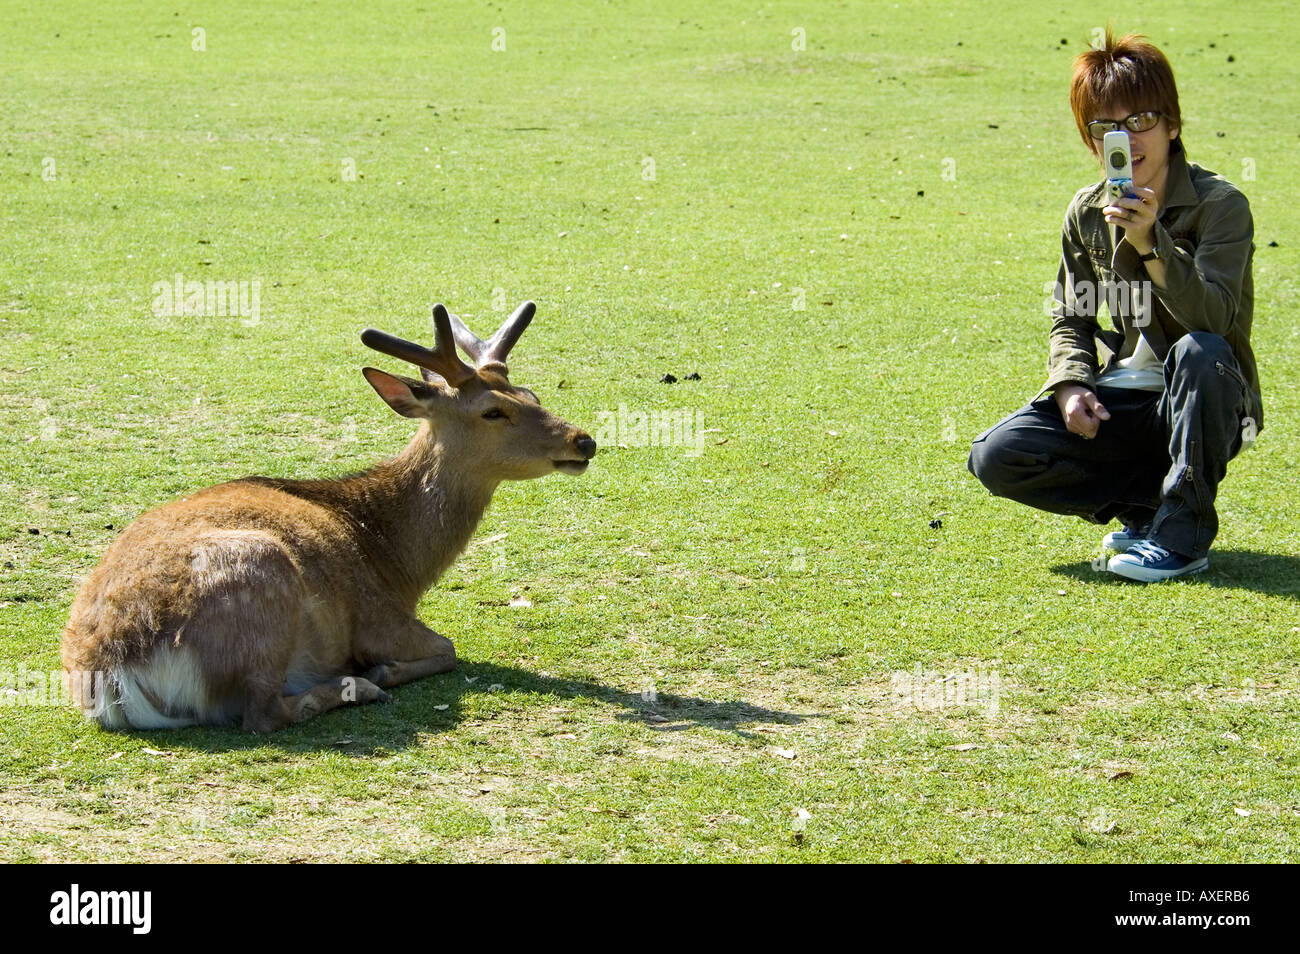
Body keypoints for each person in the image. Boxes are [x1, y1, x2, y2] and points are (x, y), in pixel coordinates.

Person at [967, 29, 1260, 582]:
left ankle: (1181, 542)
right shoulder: (1086, 212)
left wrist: (1153, 243)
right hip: (1125, 401)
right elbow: (1071, 315)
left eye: (1141, 120)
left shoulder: (1221, 206)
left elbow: (1213, 322)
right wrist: (1073, 383)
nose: (1125, 137)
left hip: (1205, 396)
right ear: (1090, 139)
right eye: (1105, 126)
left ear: (1172, 125)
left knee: (1199, 350)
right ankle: (1148, 509)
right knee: (998, 456)